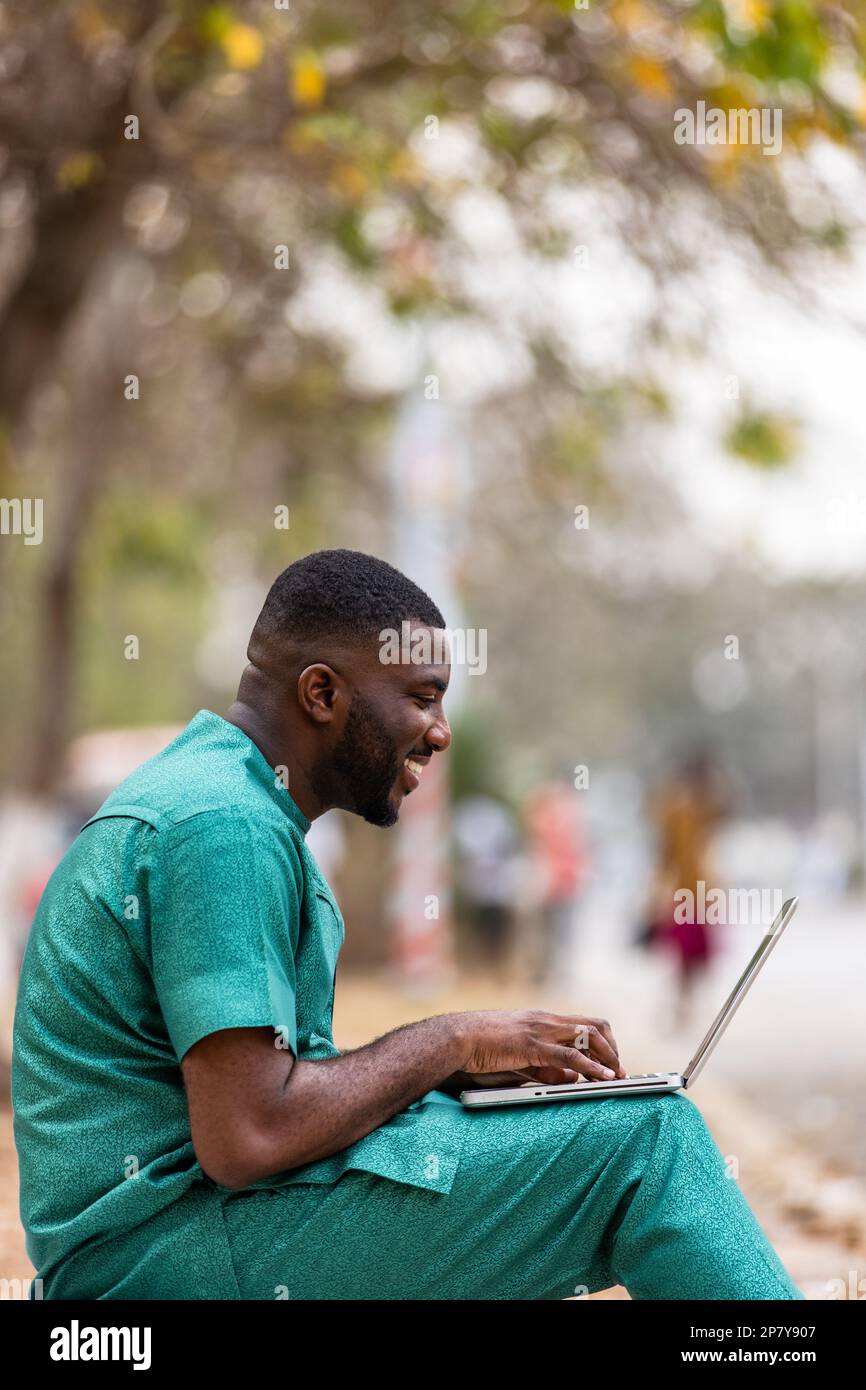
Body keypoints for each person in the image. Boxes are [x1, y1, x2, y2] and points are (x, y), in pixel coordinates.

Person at [12, 550, 803, 1300]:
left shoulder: (224, 799)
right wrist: (451, 1041)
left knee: (565, 1130)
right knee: (645, 1144)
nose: (440, 730)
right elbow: (250, 1135)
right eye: (423, 697)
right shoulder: (223, 824)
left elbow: (268, 1094)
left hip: (176, 1236)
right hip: (158, 1260)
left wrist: (454, 1078)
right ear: (322, 695)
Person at [644, 751, 728, 1032]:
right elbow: (666, 854)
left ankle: (687, 1010)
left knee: (692, 957)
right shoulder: (679, 811)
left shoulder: (701, 809)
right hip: (689, 894)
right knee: (685, 958)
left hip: (698, 893)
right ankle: (683, 1009)